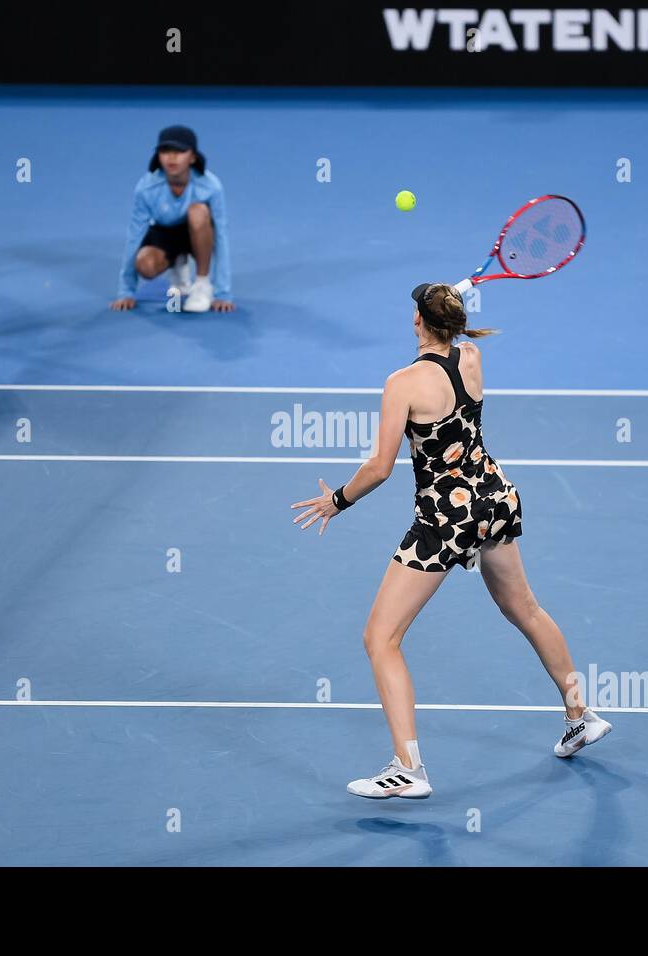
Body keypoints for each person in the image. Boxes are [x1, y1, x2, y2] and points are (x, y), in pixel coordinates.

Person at [290, 283, 613, 799]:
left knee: (381, 638)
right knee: (527, 609)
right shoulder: (472, 356)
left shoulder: (402, 383)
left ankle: (408, 767)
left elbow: (378, 468)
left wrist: (338, 501)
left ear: (418, 320)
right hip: (494, 499)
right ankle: (581, 714)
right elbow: (451, 333)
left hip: (445, 519)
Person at [110, 125, 233, 314]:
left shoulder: (211, 186)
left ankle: (201, 285)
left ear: (192, 157)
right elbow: (135, 235)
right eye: (165, 151)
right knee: (145, 265)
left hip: (199, 235)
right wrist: (126, 291)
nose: (171, 157)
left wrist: (222, 293)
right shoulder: (146, 188)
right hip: (165, 235)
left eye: (179, 151)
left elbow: (221, 236)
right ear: (158, 156)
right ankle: (177, 262)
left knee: (198, 212)